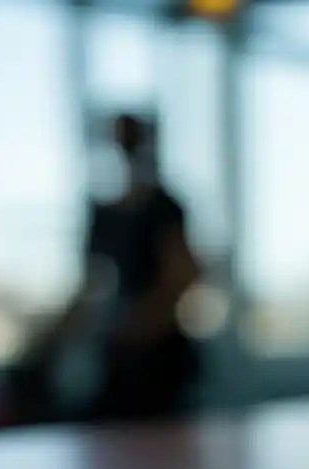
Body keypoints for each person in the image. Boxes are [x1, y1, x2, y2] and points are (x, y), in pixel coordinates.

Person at [15, 115, 201, 420]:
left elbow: (184, 274)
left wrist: (139, 326)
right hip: (117, 352)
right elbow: (89, 286)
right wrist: (48, 340)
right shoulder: (103, 215)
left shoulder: (164, 207)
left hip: (158, 358)